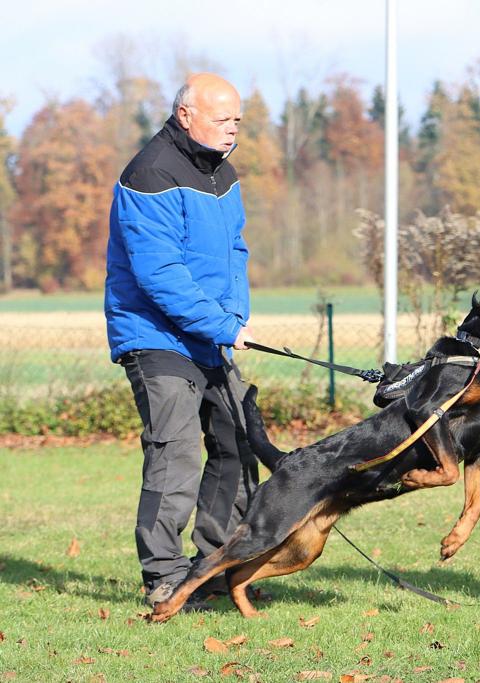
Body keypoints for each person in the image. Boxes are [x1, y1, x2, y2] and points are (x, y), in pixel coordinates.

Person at [104, 73, 259, 611]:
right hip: (156, 335)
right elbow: (159, 275)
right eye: (221, 119)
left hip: (212, 330)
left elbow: (235, 250)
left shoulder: (224, 173)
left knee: (239, 445)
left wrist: (233, 314)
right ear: (186, 115)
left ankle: (217, 567)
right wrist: (222, 326)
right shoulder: (148, 173)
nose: (232, 130)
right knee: (176, 455)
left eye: (237, 119)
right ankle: (164, 576)